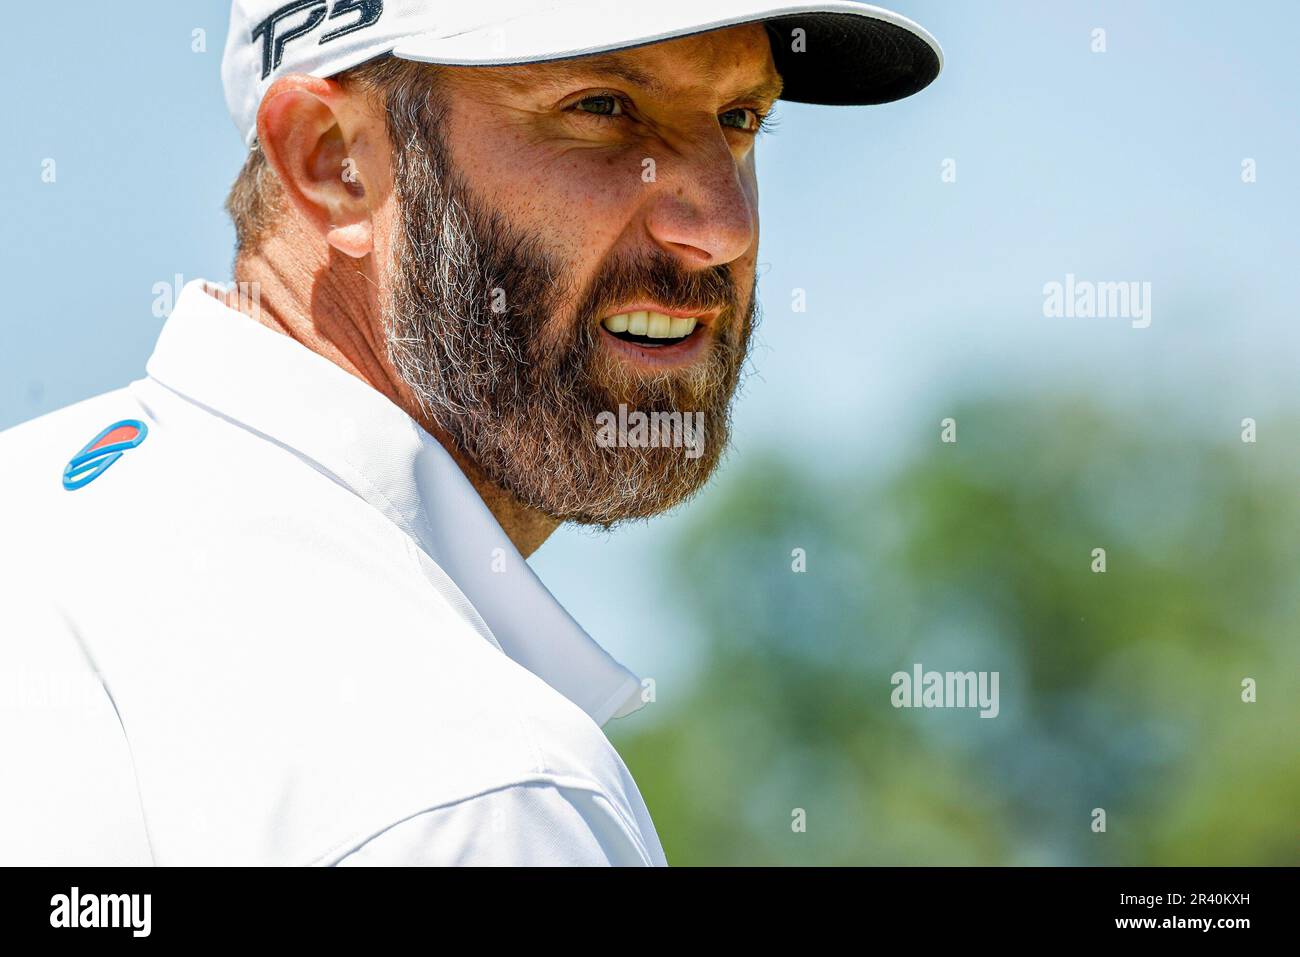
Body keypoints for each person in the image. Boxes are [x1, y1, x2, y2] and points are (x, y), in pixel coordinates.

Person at [0, 0, 940, 865]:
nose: (722, 225)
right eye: (604, 107)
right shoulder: (479, 790)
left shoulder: (31, 509)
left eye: (740, 119)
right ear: (333, 160)